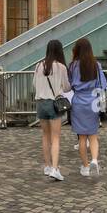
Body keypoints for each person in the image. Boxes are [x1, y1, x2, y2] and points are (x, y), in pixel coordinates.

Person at [68, 37, 107, 177]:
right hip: (93, 101)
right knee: (93, 134)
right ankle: (95, 160)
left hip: (78, 100)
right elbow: (103, 85)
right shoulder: (96, 65)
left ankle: (85, 166)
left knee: (82, 138)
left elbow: (70, 84)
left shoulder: (73, 65)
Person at [34, 38, 71, 181]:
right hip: (54, 104)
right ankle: (55, 169)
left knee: (45, 136)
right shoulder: (61, 67)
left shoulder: (38, 65)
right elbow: (67, 86)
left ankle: (48, 165)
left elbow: (34, 84)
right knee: (55, 137)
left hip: (40, 103)